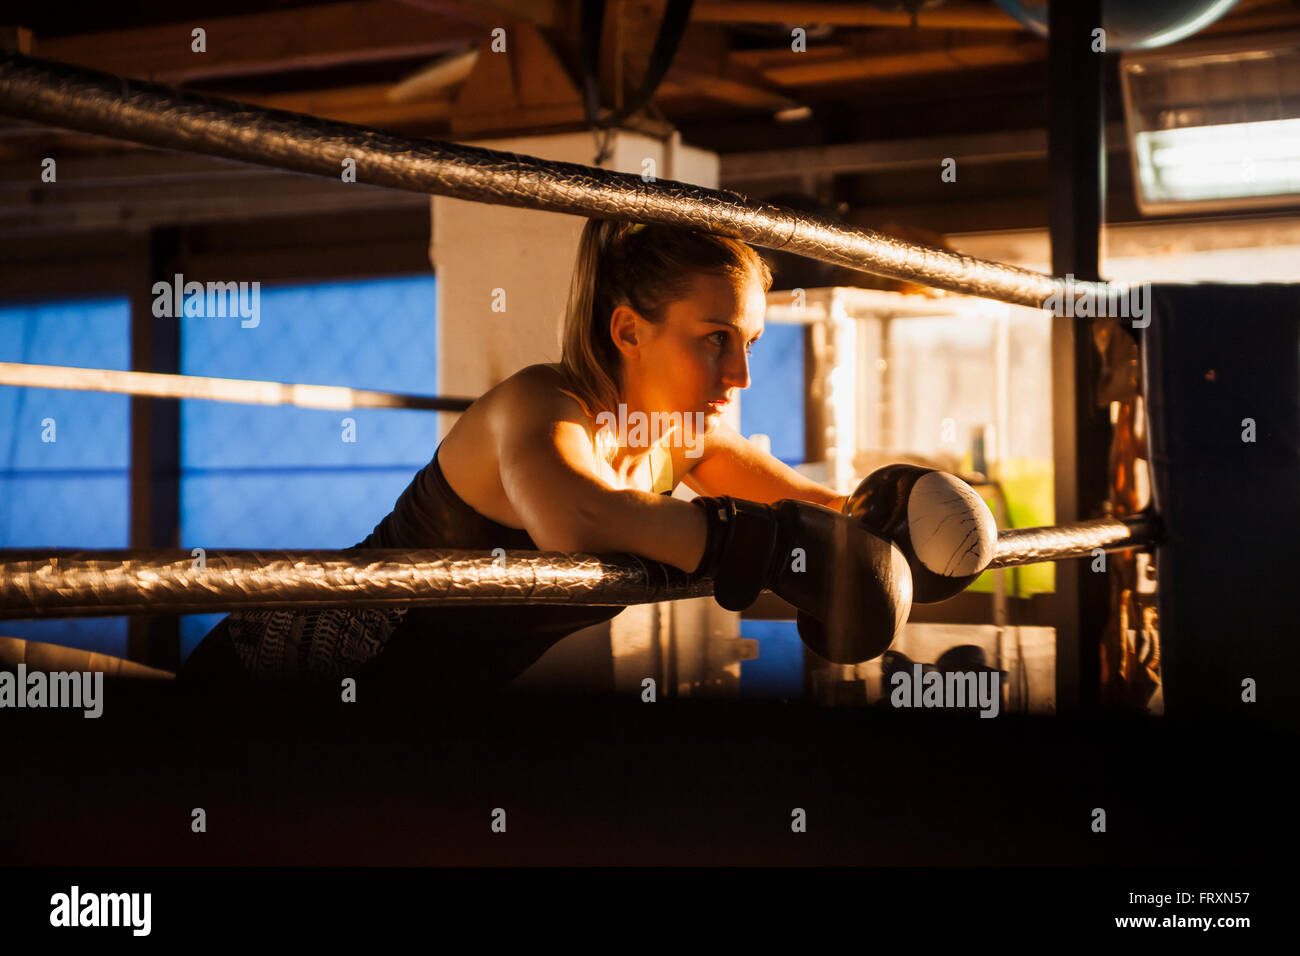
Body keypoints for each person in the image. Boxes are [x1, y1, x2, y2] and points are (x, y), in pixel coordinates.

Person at [179, 217, 907, 696]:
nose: (740, 376)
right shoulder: (540, 405)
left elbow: (831, 518)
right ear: (628, 331)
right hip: (276, 671)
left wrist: (900, 527)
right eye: (715, 337)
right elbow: (580, 520)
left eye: (748, 344)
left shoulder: (681, 439)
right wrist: (757, 548)